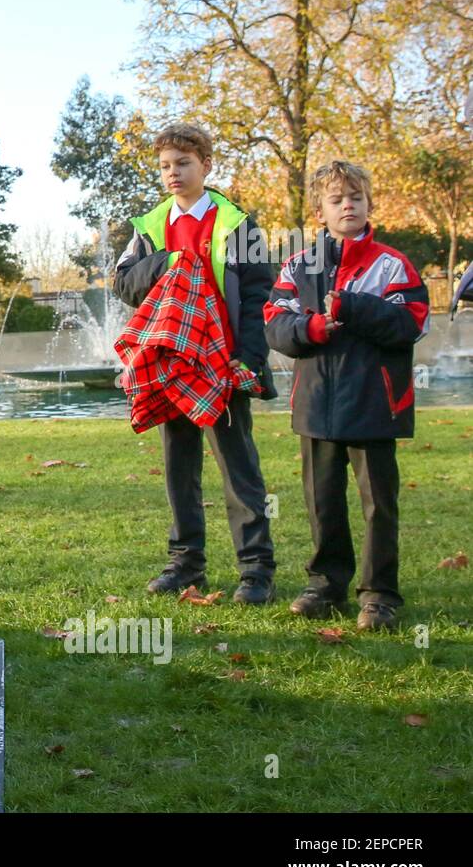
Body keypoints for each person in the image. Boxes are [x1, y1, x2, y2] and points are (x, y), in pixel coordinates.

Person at [113, 122, 278, 603]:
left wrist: (247, 359)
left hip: (221, 363)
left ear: (206, 165)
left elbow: (258, 294)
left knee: (238, 467)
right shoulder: (149, 227)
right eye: (165, 166)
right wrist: (166, 261)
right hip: (169, 362)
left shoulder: (236, 223)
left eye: (183, 163)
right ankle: (186, 564)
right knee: (178, 467)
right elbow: (122, 284)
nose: (173, 173)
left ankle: (256, 569)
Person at [265, 161, 429, 631]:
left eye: (356, 197)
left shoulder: (392, 264)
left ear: (369, 203)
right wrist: (310, 327)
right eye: (337, 200)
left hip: (375, 404)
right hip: (316, 403)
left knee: (378, 502)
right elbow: (275, 324)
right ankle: (325, 584)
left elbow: (412, 323)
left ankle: (379, 594)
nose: (348, 205)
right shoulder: (298, 265)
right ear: (321, 211)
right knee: (322, 500)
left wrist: (352, 306)